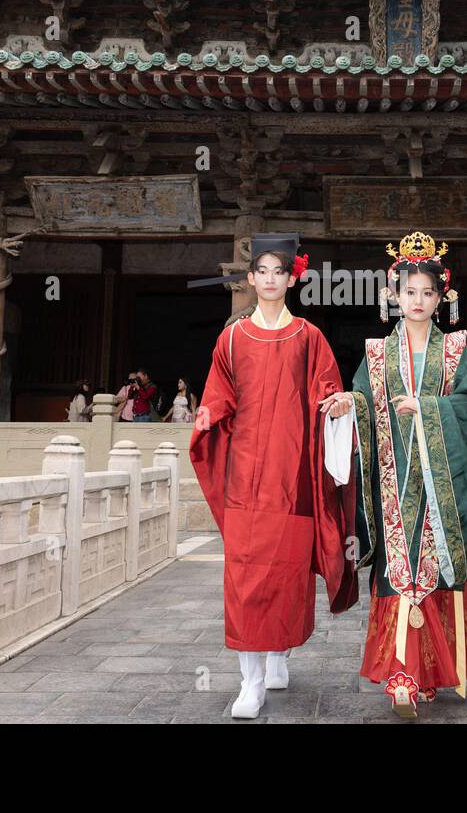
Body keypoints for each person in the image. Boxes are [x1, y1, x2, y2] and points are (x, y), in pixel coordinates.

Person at [326, 231, 467, 719]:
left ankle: (432, 673)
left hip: (440, 486)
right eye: (410, 293)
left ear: (442, 296)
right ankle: (403, 676)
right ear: (394, 296)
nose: (419, 300)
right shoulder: (378, 354)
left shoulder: (456, 351)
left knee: (435, 567)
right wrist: (349, 403)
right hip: (392, 480)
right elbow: (365, 398)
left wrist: (428, 409)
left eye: (428, 292)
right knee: (398, 570)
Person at [190, 232, 356, 720]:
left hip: (293, 475)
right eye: (260, 271)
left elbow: (328, 389)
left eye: (277, 271)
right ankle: (250, 680)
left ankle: (279, 650)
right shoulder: (232, 336)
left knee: (286, 571)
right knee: (244, 571)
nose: (268, 279)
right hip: (244, 474)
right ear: (250, 278)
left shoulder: (308, 336)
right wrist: (206, 420)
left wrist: (340, 401)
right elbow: (218, 395)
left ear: (292, 277)